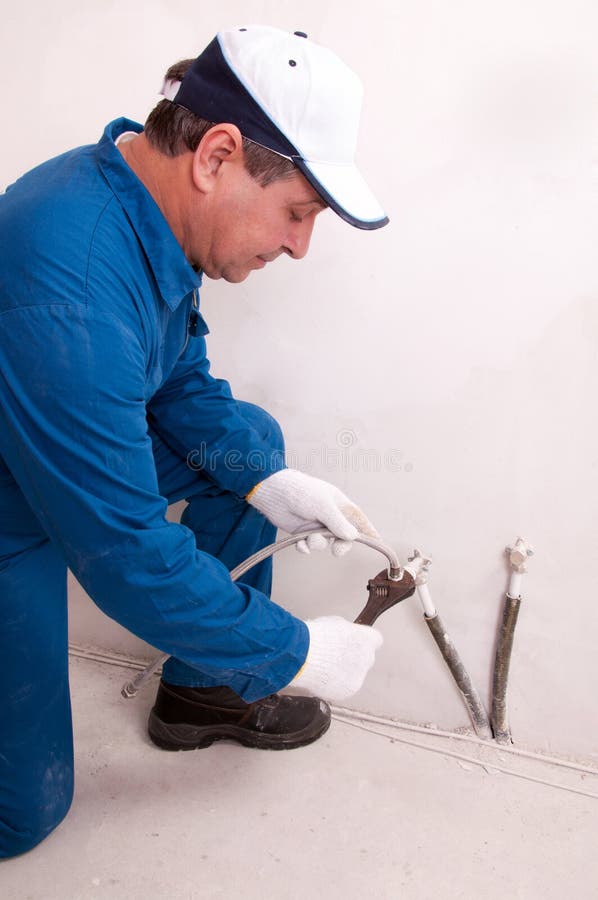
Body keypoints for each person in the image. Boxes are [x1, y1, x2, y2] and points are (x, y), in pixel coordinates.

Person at [0, 25, 389, 858]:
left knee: (249, 441)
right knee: (20, 815)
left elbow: (176, 382)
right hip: (10, 510)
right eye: (296, 212)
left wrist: (267, 484)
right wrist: (293, 652)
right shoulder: (70, 284)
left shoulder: (146, 220)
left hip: (48, 457)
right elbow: (125, 555)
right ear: (216, 155)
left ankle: (204, 690)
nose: (298, 244)